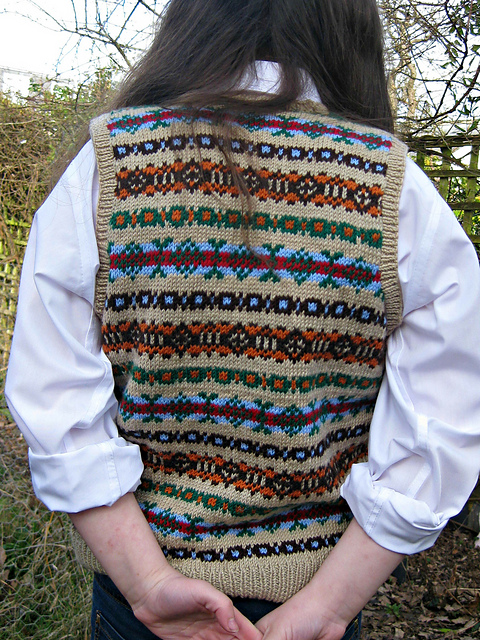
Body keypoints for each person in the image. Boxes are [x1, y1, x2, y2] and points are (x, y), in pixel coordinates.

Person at [5, 1, 480, 639]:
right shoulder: (396, 191)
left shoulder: (109, 167)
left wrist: (148, 584)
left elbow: (55, 402)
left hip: (141, 604)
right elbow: (442, 429)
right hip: (313, 604)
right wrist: (329, 607)